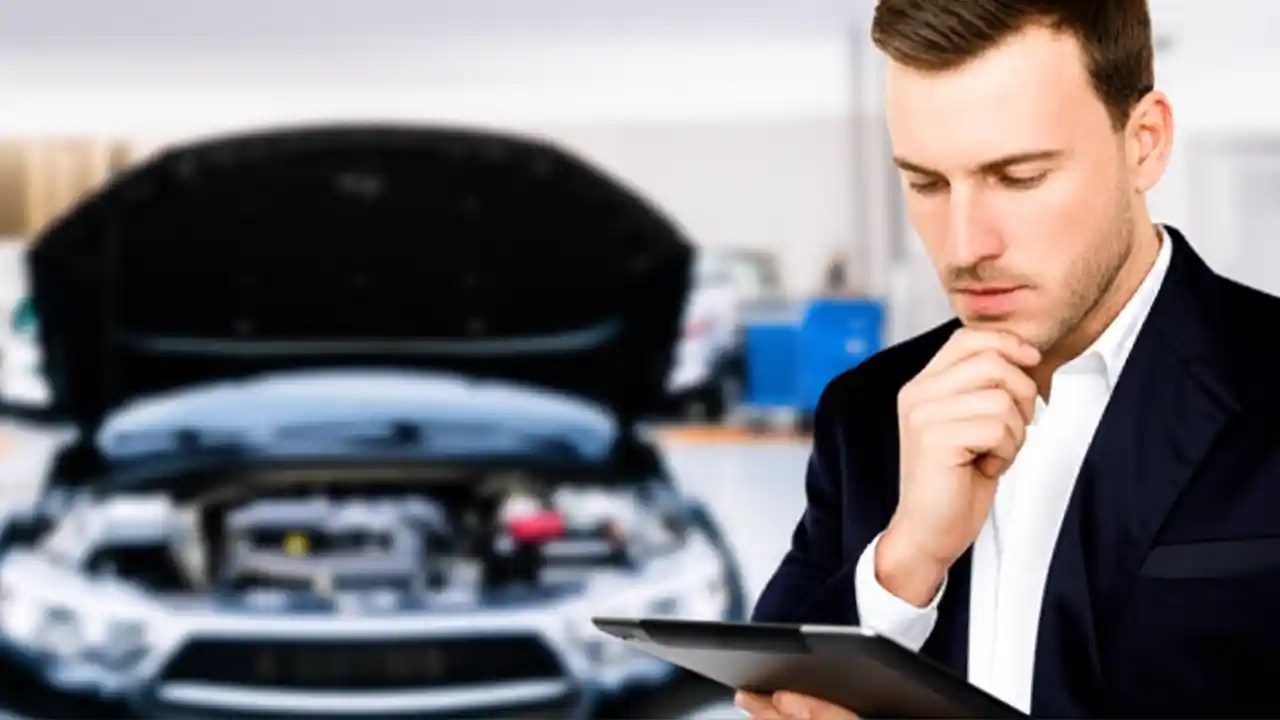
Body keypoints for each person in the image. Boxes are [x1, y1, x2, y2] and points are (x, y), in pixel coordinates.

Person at [736, 0, 1280, 718]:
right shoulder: (866, 410)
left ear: (1144, 143)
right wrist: (907, 562)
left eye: (1019, 177)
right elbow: (771, 686)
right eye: (927, 184)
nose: (965, 246)